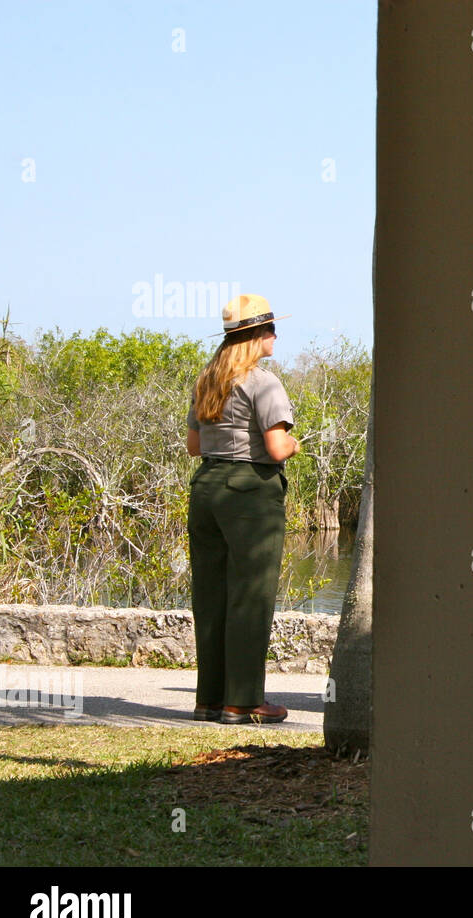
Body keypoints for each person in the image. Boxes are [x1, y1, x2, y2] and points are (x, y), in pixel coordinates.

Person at [184, 294, 301, 724]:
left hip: (207, 489)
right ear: (254, 336)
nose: (275, 334)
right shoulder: (263, 382)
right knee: (251, 596)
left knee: (211, 597)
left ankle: (210, 699)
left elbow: (194, 446)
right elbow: (275, 447)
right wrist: (294, 442)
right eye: (269, 328)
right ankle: (244, 701)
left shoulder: (207, 381)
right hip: (249, 492)